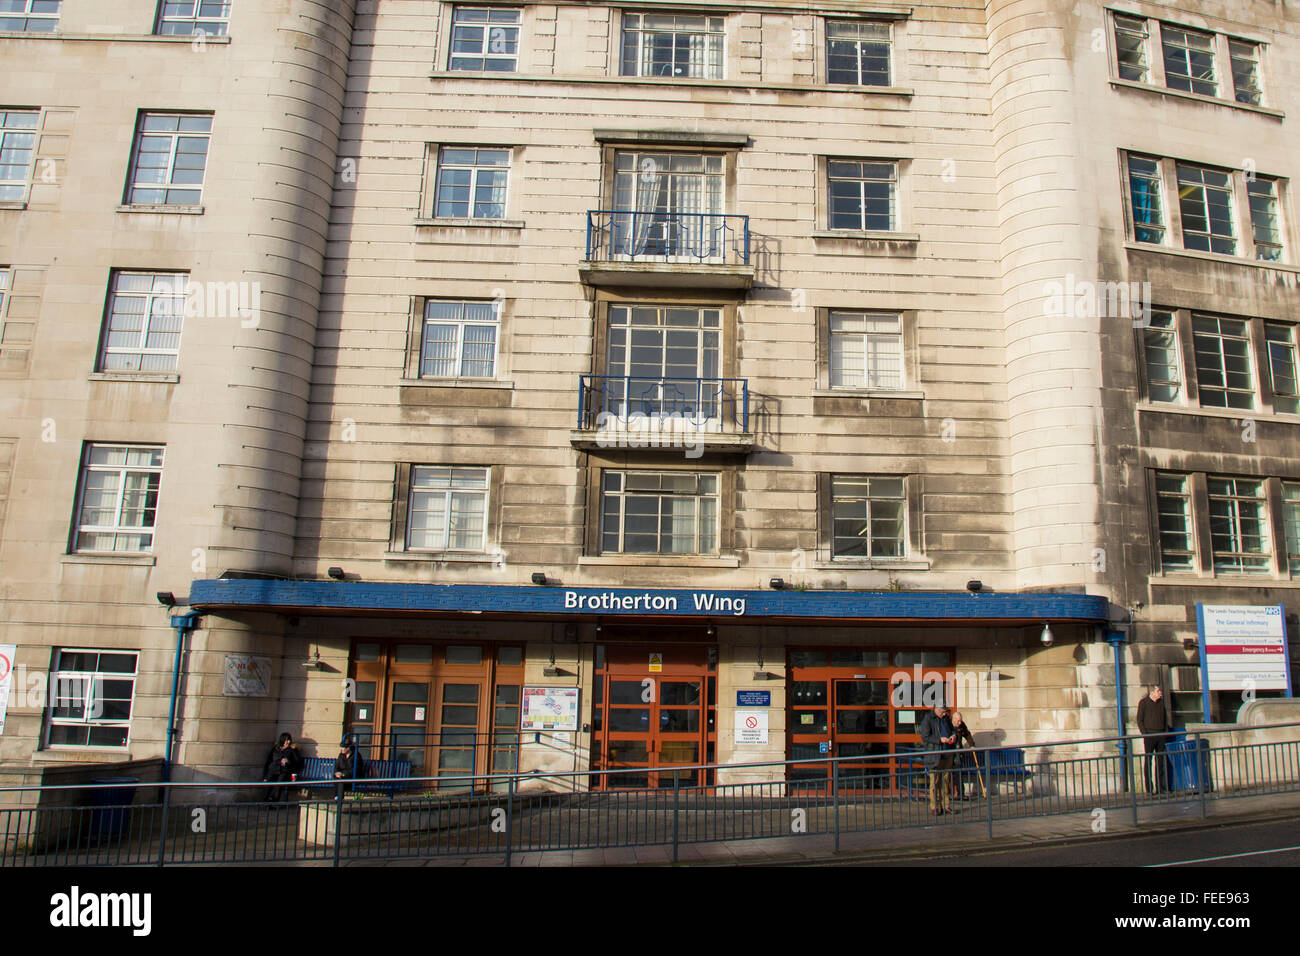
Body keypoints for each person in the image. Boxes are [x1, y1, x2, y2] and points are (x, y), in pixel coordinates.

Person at [918, 703, 957, 815]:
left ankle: (946, 805)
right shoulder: (928, 719)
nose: (944, 714)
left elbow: (952, 730)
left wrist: (953, 736)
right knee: (934, 782)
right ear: (937, 710)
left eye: (945, 712)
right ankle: (935, 806)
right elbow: (925, 737)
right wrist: (940, 740)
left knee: (945, 780)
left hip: (947, 754)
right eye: (942, 712)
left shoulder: (946, 719)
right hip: (934, 755)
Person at [1136, 685, 1170, 794]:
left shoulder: (1161, 703)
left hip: (1160, 735)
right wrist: (1145, 734)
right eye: (1158, 691)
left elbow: (1165, 718)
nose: (1160, 692)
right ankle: (1149, 789)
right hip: (1149, 735)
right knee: (1148, 761)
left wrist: (1165, 733)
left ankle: (1161, 787)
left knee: (1160, 762)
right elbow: (1139, 720)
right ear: (1152, 692)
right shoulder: (1144, 703)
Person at [261, 732, 303, 803]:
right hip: (273, 770)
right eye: (286, 740)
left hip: (284, 771)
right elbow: (269, 761)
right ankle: (266, 800)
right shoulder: (275, 749)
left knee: (279, 783)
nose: (288, 742)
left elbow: (298, 762)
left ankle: (273, 801)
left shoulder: (292, 750)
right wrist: (265, 775)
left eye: (289, 740)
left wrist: (288, 761)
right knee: (269, 781)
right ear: (282, 740)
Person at [950, 711, 977, 799]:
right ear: (953, 720)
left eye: (960, 720)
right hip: (949, 751)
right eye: (958, 721)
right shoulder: (948, 725)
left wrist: (972, 744)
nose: (960, 723)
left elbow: (967, 734)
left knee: (958, 772)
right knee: (947, 773)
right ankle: (947, 794)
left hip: (958, 751)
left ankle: (960, 793)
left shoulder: (961, 725)